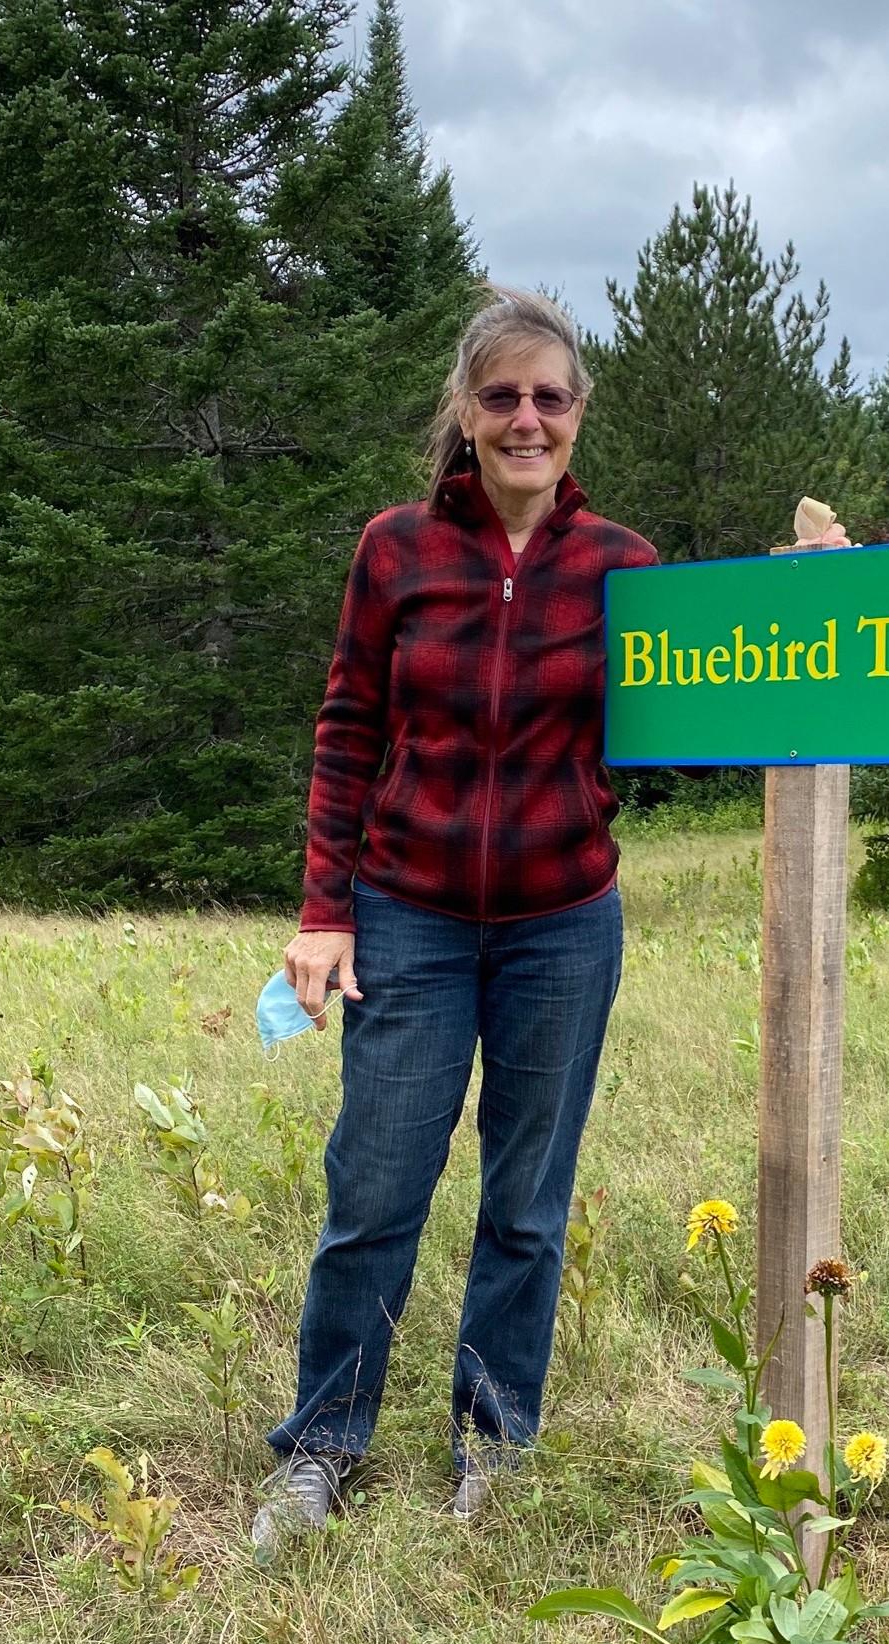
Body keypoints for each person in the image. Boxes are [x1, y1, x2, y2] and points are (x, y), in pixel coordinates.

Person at [252, 286, 658, 1551]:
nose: (526, 417)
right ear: (466, 415)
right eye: (502, 396)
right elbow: (347, 730)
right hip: (409, 917)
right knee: (375, 1190)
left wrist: (815, 608)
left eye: (549, 395)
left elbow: (691, 733)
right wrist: (326, 911)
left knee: (526, 1203)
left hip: (563, 923)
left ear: (578, 414)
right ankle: (322, 1445)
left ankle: (493, 1439)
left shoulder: (626, 567)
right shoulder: (396, 549)